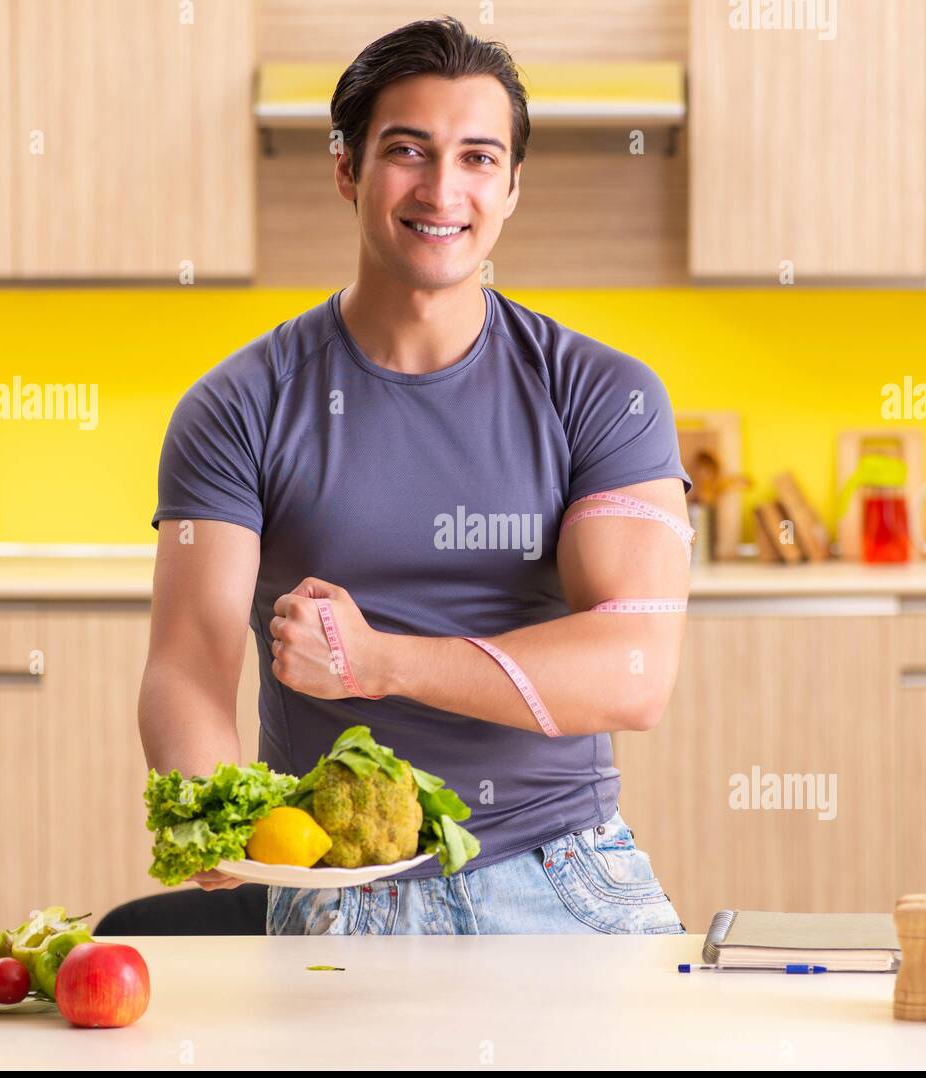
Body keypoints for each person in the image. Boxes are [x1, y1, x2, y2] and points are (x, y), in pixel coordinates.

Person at [139, 16, 692, 936]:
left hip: (562, 874)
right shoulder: (238, 405)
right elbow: (191, 664)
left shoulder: (603, 394)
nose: (443, 189)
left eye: (479, 158)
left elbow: (633, 672)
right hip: (339, 889)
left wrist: (376, 662)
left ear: (512, 186)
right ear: (348, 170)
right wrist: (207, 815)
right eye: (408, 150)